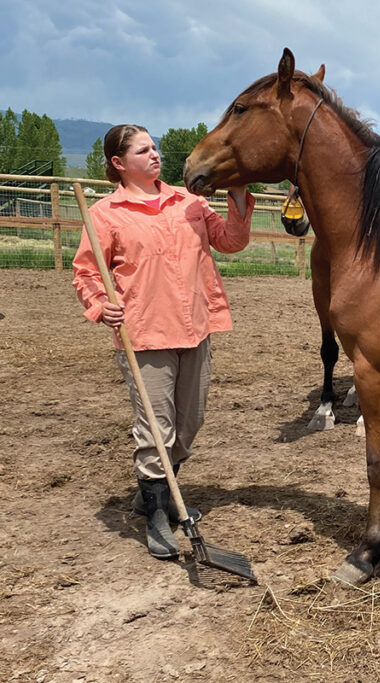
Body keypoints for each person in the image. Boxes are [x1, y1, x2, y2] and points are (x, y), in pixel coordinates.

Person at [72, 124, 254, 560]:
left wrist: (238, 194)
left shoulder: (188, 203)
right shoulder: (105, 215)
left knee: (188, 425)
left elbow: (231, 241)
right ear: (119, 163)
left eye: (154, 147)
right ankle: (156, 513)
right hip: (145, 334)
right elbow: (86, 272)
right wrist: (101, 305)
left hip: (196, 326)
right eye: (143, 149)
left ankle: (153, 492)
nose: (155, 155)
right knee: (157, 429)